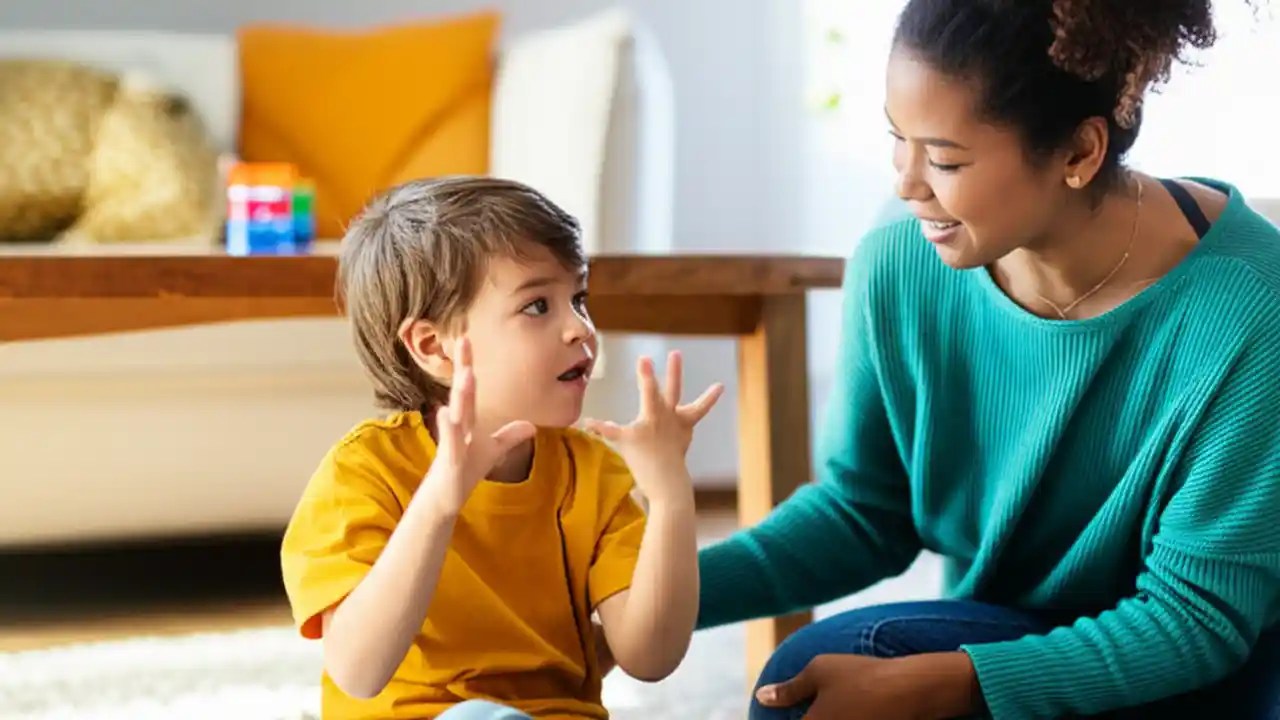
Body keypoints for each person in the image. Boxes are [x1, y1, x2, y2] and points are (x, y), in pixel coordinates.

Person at [696, 0, 1280, 718]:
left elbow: (1198, 621)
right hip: (1020, 630)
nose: (908, 184)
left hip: (1209, 667)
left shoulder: (1251, 310)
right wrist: (653, 594)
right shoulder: (902, 259)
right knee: (805, 689)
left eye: (944, 159)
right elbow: (863, 511)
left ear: (1078, 154)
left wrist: (948, 683)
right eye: (896, 141)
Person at [279, 176, 723, 719]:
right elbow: (358, 670)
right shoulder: (363, 473)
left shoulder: (593, 473)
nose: (579, 329)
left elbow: (651, 656)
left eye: (578, 298)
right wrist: (441, 500)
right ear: (432, 346)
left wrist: (671, 494)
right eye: (538, 306)